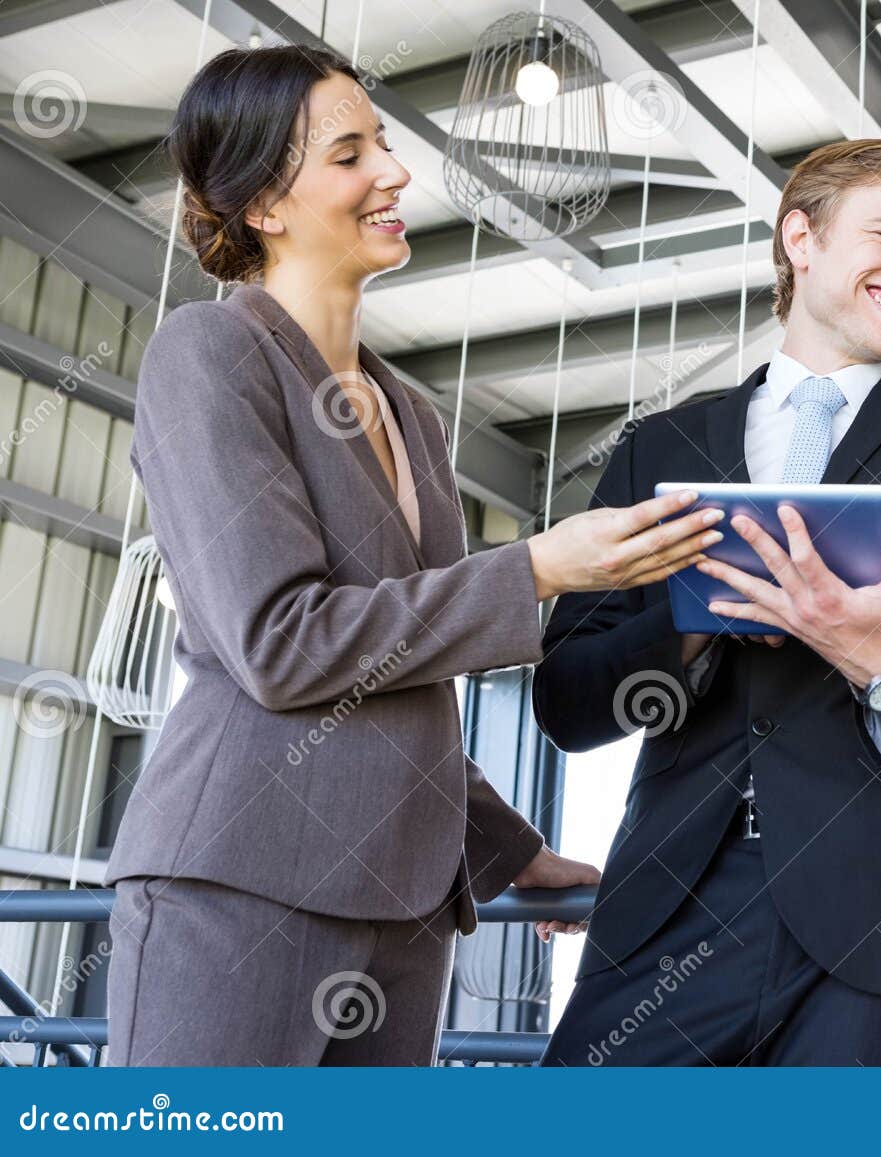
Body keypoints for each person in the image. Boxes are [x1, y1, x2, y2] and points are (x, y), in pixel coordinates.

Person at [104, 46, 720, 1066]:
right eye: (351, 152)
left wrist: (513, 851)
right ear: (263, 202)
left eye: (383, 142)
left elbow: (399, 679)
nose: (394, 171)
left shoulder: (411, 414)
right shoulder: (208, 355)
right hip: (238, 883)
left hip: (409, 911)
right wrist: (537, 569)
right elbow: (283, 644)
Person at [531, 138, 881, 1066]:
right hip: (670, 911)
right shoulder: (658, 449)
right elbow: (566, 705)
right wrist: (694, 623)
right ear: (801, 238)